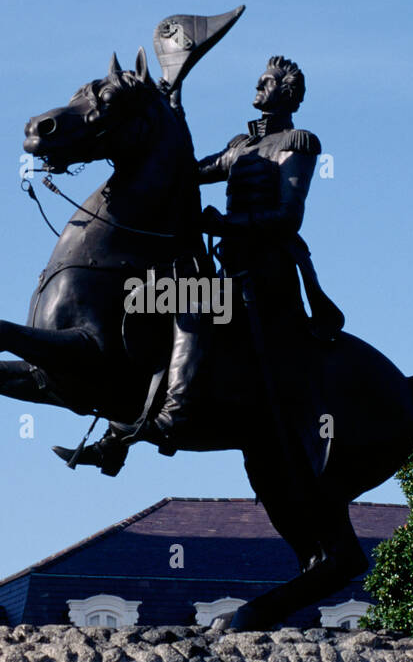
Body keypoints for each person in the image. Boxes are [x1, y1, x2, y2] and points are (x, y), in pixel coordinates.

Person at [53, 55, 340, 474]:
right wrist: (174, 109)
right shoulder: (239, 148)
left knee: (193, 301)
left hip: (268, 270)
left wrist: (226, 223)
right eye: (259, 80)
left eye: (268, 82)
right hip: (233, 264)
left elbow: (288, 216)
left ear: (288, 92)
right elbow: (186, 171)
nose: (258, 87)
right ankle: (117, 435)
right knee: (145, 302)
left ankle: (173, 414)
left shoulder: (297, 143)